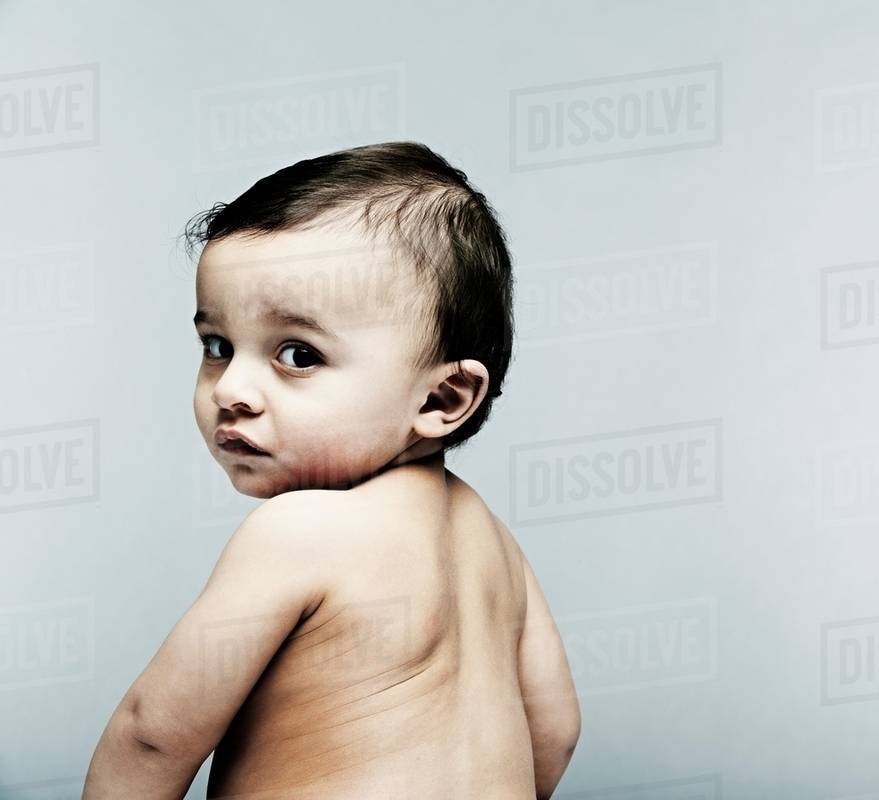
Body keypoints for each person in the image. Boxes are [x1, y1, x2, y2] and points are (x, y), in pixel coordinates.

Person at [82, 142, 582, 799]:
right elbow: (556, 731)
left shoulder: (301, 529)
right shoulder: (495, 544)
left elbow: (152, 733)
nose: (232, 387)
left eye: (297, 353)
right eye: (217, 346)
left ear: (442, 399)